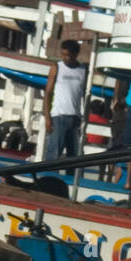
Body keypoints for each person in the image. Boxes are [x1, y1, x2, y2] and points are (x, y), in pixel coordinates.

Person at [43, 40, 87, 169]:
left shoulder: (83, 69)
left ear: (76, 54)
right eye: (63, 55)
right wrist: (47, 118)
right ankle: (48, 179)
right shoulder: (57, 67)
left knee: (73, 157)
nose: (65, 58)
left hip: (75, 117)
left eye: (68, 55)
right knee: (54, 153)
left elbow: (84, 93)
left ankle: (70, 182)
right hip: (59, 116)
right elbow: (48, 93)